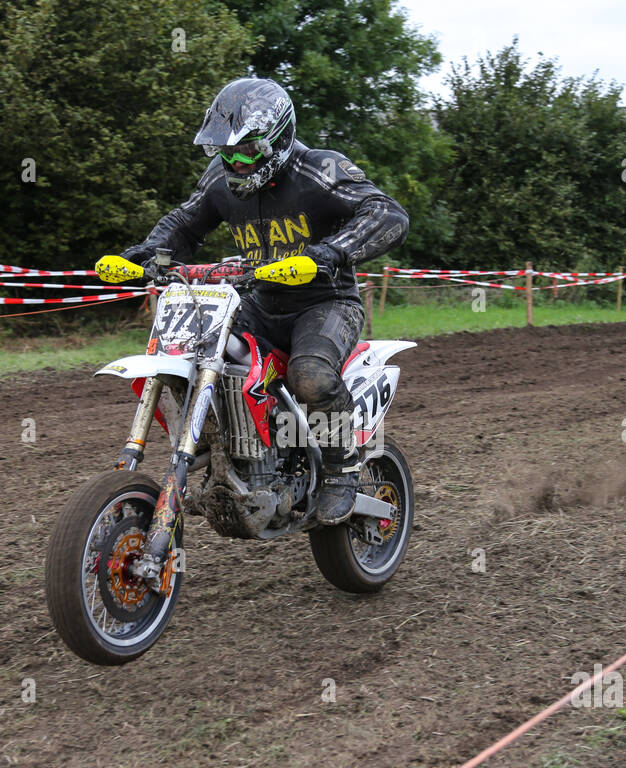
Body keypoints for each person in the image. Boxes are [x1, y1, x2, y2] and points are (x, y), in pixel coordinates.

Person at [119, 77, 409, 524]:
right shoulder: (222, 178)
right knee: (187, 356)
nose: (234, 162)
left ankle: (340, 470)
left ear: (279, 137)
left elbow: (387, 213)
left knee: (309, 375)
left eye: (245, 151)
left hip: (325, 304)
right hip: (258, 304)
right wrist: (148, 251)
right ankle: (222, 446)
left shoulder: (319, 170)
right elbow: (185, 221)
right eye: (225, 152)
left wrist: (331, 252)